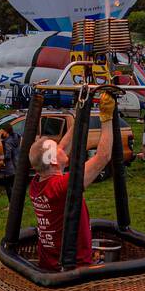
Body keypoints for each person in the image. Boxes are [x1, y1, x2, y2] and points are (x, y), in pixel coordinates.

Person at [27, 94, 116, 270]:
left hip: (49, 264)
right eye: (56, 147)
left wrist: (82, 113)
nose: (60, 147)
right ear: (53, 161)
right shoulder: (62, 186)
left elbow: (62, 148)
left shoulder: (37, 183)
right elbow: (103, 157)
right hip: (73, 268)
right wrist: (106, 118)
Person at [0, 125, 20, 200]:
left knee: (8, 187)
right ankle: (16, 203)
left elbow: (8, 156)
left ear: (7, 132)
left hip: (10, 169)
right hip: (17, 166)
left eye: (3, 132)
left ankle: (11, 205)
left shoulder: (8, 142)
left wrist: (0, 157)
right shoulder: (16, 137)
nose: (2, 133)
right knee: (15, 187)